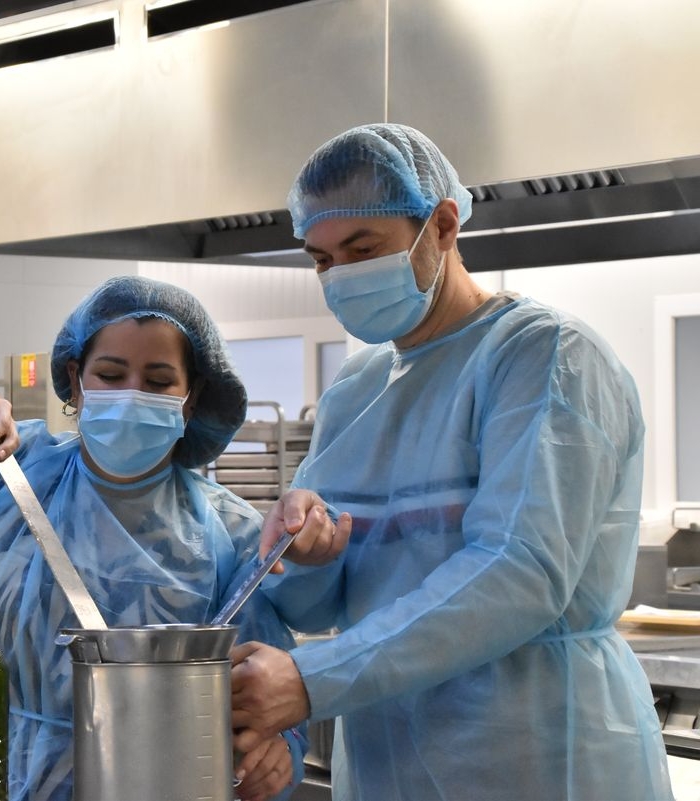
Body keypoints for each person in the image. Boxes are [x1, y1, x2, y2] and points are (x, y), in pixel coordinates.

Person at [227, 123, 675, 800]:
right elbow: (315, 605)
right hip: (387, 766)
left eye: (363, 250)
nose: (342, 275)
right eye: (322, 260)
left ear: (441, 226)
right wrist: (308, 556)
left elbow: (519, 573)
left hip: (536, 757)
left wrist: (313, 678)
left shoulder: (544, 357)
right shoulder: (356, 391)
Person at [0, 276, 315, 801]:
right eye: (110, 375)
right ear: (75, 380)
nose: (131, 394)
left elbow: (266, 685)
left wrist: (279, 747)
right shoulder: (6, 474)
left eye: (158, 381)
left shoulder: (230, 534)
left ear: (192, 398)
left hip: (153, 785)